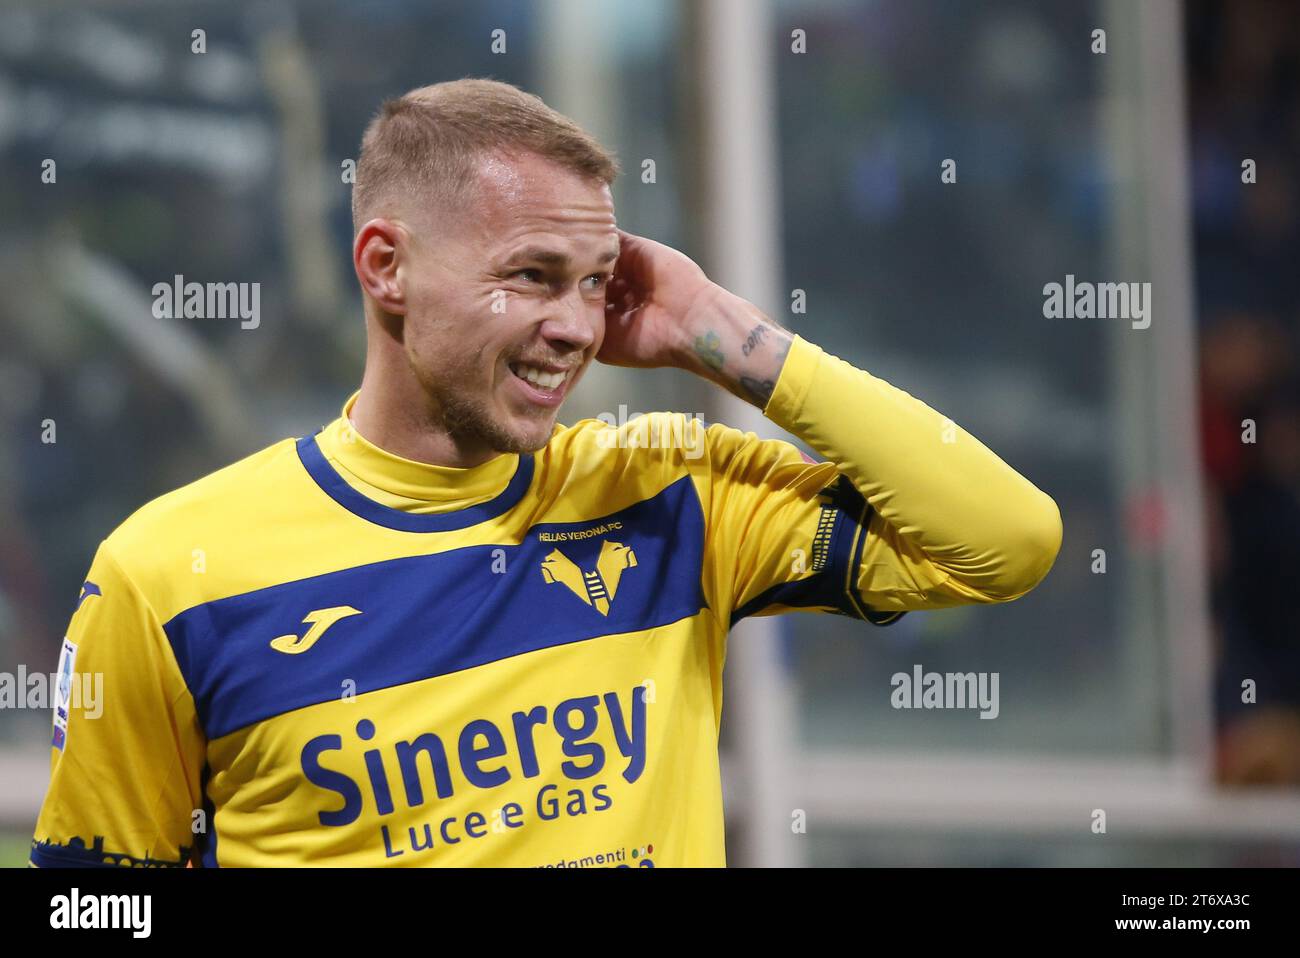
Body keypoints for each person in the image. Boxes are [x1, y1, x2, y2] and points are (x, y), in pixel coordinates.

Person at [31, 78, 1060, 867]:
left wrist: (727, 336)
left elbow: (1005, 544)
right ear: (385, 266)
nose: (575, 327)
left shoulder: (667, 493)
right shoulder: (171, 574)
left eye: (597, 283)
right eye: (531, 276)